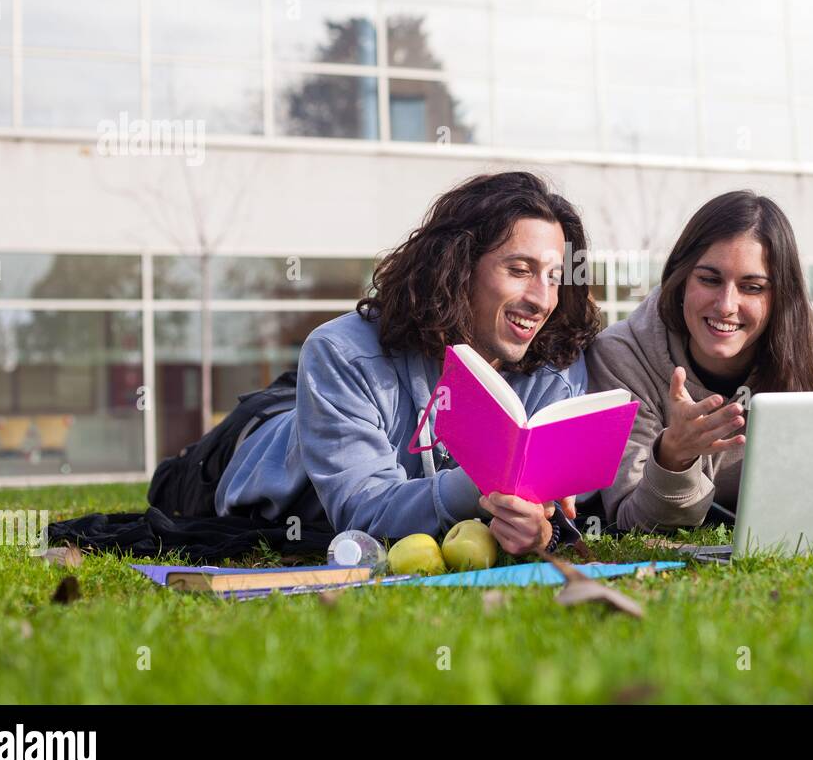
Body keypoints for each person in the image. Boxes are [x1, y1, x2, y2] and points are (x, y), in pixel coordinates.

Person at [208, 171, 602, 554]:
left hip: (338, 406)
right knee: (190, 470)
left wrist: (542, 528)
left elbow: (559, 508)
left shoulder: (556, 362)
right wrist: (489, 483)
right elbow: (361, 510)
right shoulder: (341, 351)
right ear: (459, 266)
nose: (542, 299)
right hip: (259, 443)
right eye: (519, 270)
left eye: (554, 277)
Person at [585, 190, 813, 532]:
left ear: (780, 297)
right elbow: (631, 522)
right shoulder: (620, 356)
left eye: (752, 287)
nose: (726, 305)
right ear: (682, 278)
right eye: (709, 279)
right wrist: (674, 458)